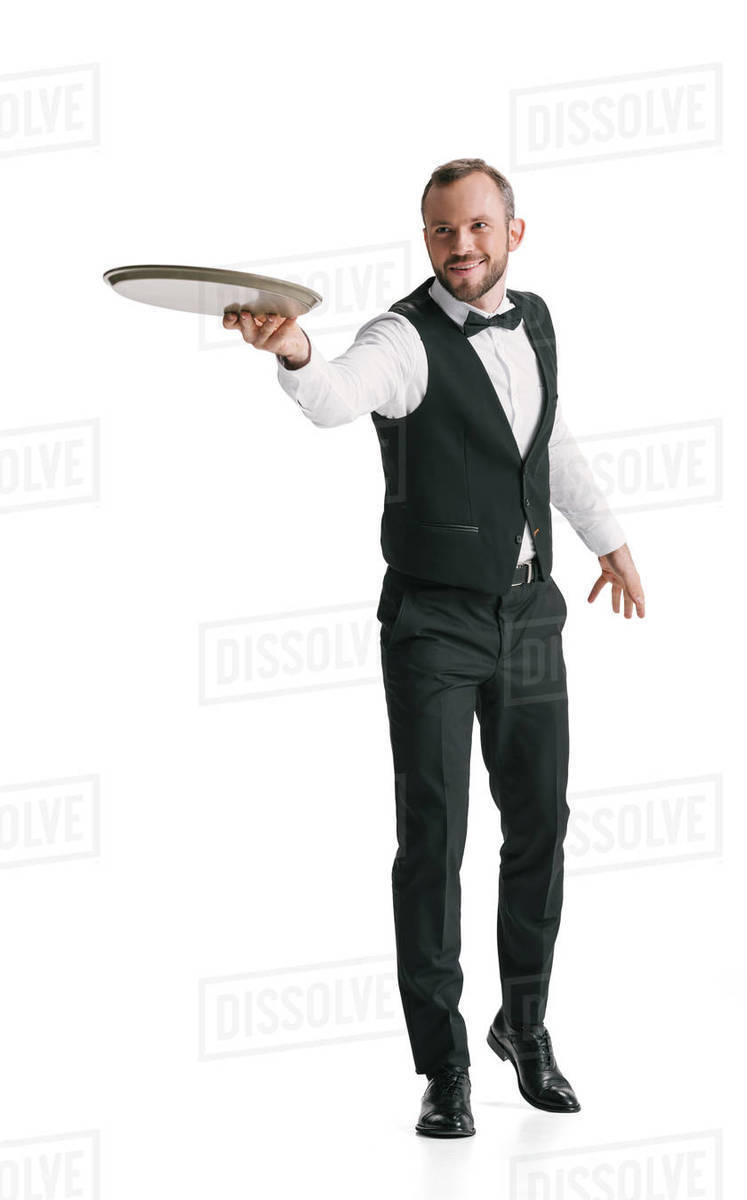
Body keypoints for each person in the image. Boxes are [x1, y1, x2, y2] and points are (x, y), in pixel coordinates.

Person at [223, 157, 645, 1138]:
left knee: (541, 823)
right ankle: (444, 1066)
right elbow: (337, 395)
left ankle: (525, 1029)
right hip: (434, 626)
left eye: (477, 229)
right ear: (426, 240)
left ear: (514, 232)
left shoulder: (535, 320)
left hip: (532, 616)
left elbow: (552, 444)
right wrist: (294, 352)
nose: (461, 247)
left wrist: (612, 542)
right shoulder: (400, 340)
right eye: (441, 232)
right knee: (435, 843)